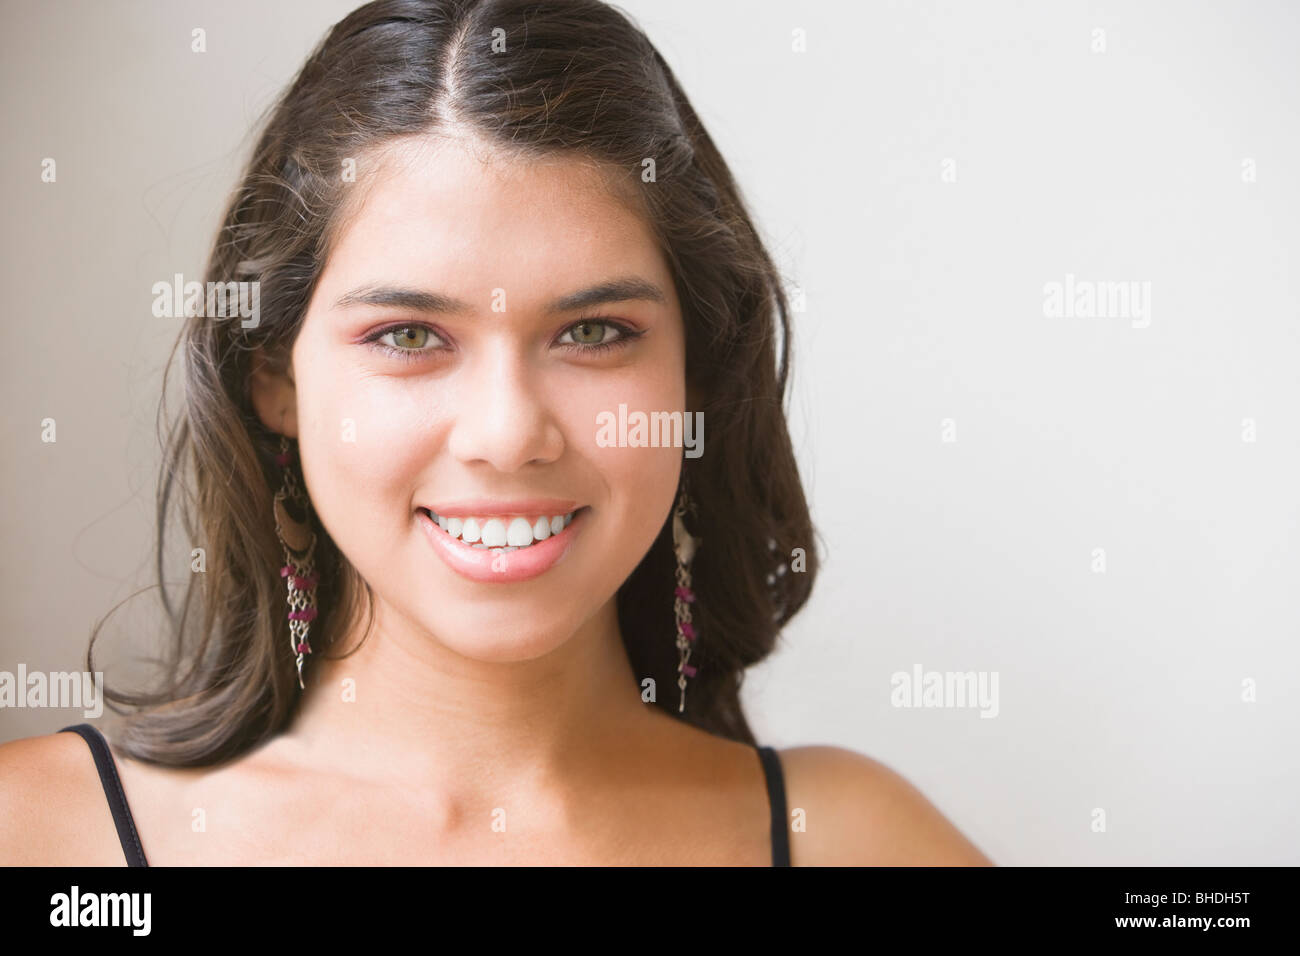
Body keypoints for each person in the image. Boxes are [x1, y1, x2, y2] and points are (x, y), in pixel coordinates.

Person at [0, 0, 990, 866]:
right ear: (275, 378)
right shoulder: (41, 834)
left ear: (696, 374)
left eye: (595, 332)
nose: (507, 433)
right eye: (408, 335)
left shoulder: (849, 840)